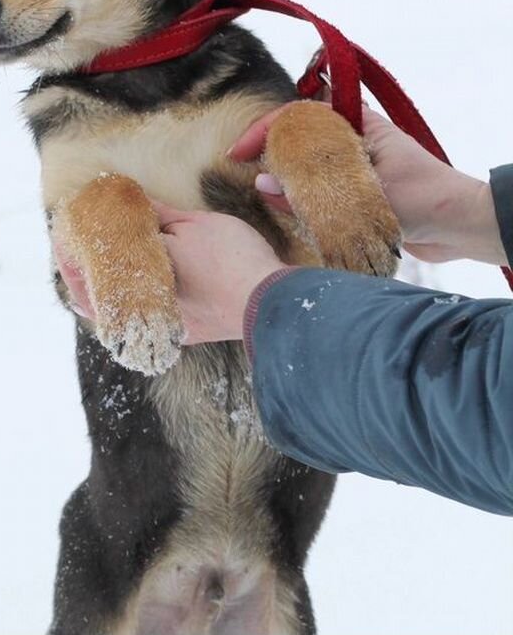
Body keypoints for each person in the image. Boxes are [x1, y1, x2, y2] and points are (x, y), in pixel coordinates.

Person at [58, 104, 513, 517]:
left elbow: (494, 411)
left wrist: (262, 300)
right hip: (126, 552)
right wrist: (477, 214)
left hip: (274, 538)